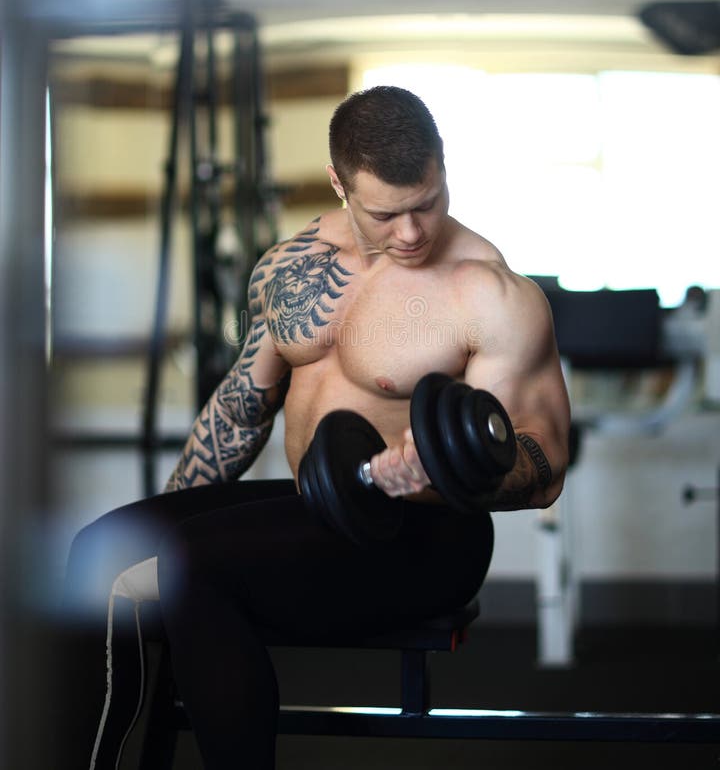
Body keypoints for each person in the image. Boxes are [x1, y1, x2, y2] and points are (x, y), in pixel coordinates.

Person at [61, 85, 570, 769]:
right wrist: (177, 507)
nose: (412, 233)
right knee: (102, 549)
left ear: (443, 167)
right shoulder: (289, 267)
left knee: (191, 562)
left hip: (426, 533)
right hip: (317, 507)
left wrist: (447, 470)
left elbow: (543, 462)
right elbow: (241, 409)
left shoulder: (490, 293)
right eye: (386, 213)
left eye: (426, 203)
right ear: (339, 183)